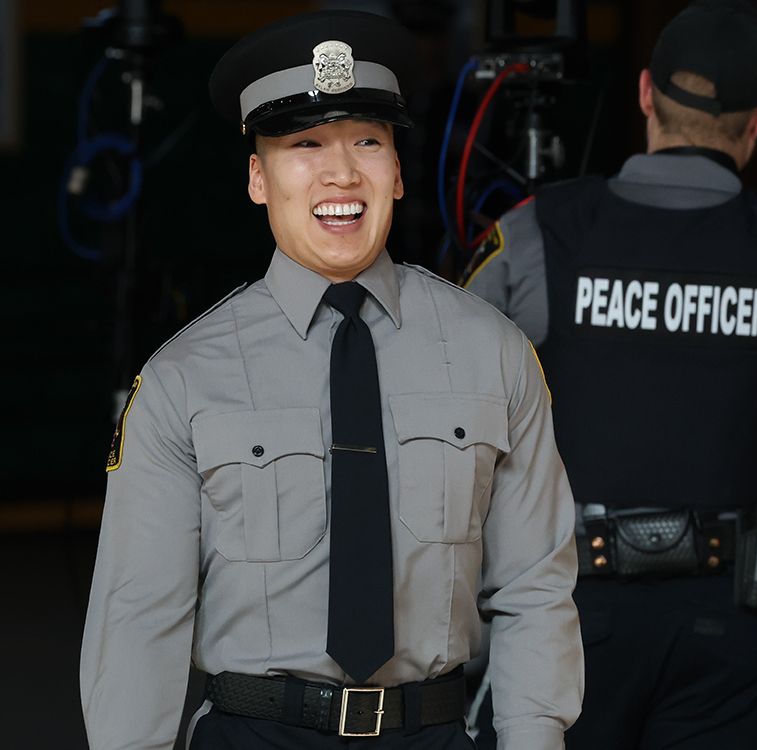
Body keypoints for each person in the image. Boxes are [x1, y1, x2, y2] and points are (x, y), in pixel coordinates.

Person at [80, 11, 583, 750]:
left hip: (432, 732)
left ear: (398, 171)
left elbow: (535, 585)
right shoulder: (184, 379)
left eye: (368, 143)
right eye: (304, 145)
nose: (341, 173)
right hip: (256, 735)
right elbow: (138, 618)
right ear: (258, 177)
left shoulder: (494, 353)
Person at [462, 1, 757, 747]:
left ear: (646, 94)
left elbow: (452, 415)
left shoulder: (534, 233)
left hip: (562, 607)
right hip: (731, 614)